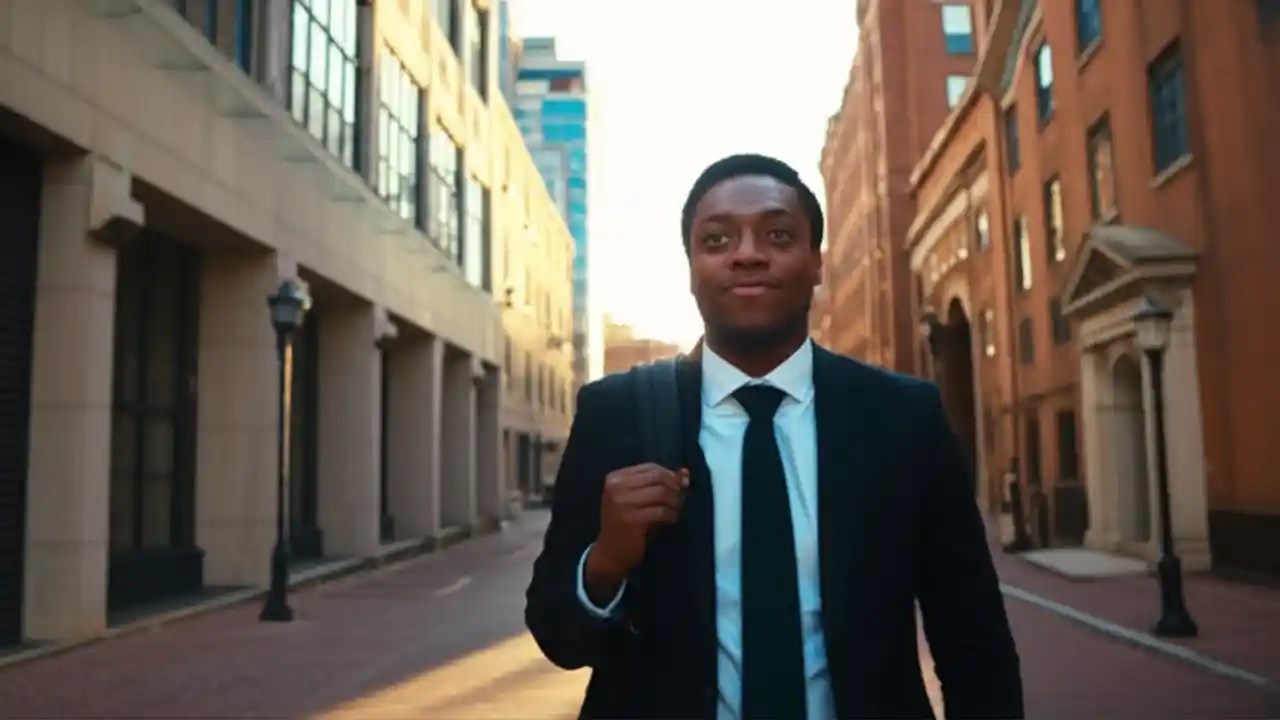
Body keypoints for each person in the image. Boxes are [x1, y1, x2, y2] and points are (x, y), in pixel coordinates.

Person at [525, 153, 1023, 720]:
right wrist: (605, 562)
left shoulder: (904, 417)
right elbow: (557, 635)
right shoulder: (614, 414)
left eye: (778, 235)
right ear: (691, 269)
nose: (747, 254)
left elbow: (974, 639)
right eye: (717, 240)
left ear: (817, 262)